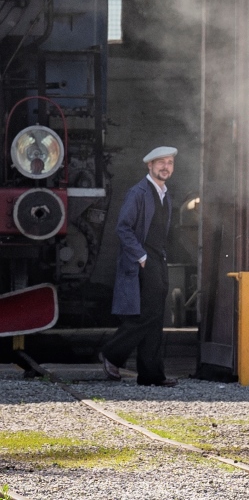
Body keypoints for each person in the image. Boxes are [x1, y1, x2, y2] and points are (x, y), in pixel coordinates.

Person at [98, 146, 178, 386]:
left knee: (155, 318)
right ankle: (112, 353)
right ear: (149, 166)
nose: (166, 167)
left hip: (157, 260)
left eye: (170, 163)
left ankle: (151, 375)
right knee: (147, 315)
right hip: (143, 262)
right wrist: (141, 257)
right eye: (160, 162)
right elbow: (123, 227)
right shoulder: (139, 192)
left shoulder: (165, 194)